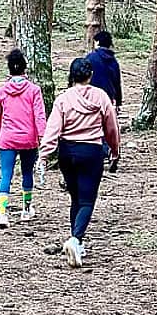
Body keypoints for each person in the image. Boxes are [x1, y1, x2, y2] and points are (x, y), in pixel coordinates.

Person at [39, 57, 121, 268]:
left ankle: (78, 241)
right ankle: (75, 240)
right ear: (90, 75)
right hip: (91, 152)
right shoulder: (100, 97)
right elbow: (111, 127)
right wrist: (114, 149)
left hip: (68, 152)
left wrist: (44, 154)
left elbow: (53, 129)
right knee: (87, 201)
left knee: (75, 198)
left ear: (71, 75)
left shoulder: (63, 99)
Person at [0, 48, 47, 228]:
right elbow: (39, 116)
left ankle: (2, 214)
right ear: (25, 69)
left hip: (7, 138)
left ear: (9, 69)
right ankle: (26, 210)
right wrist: (43, 137)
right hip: (28, 139)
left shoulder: (1, 91)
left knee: (5, 175)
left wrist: (0, 133)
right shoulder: (34, 90)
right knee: (27, 173)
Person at [86, 30, 123, 110]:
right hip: (108, 98)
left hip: (91, 97)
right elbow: (117, 82)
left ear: (98, 42)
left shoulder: (90, 58)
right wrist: (118, 102)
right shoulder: (113, 61)